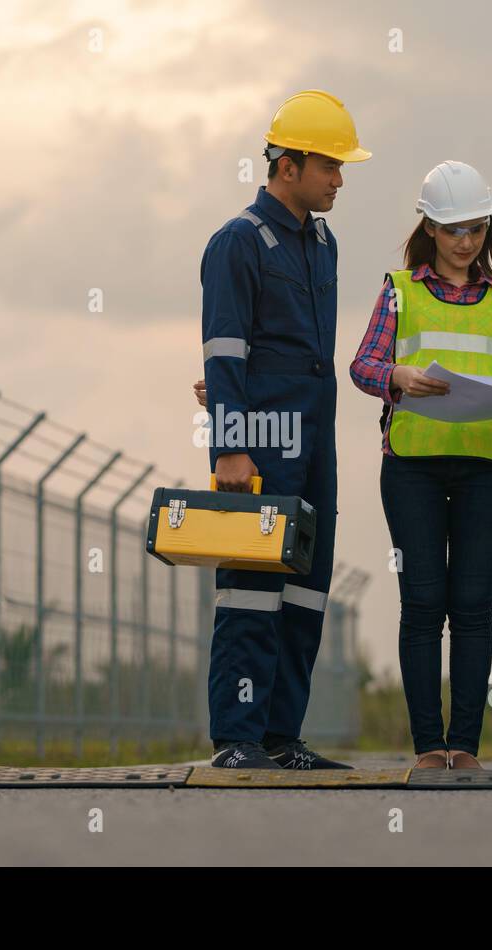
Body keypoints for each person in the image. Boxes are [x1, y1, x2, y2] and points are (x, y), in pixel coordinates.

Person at [348, 162, 492, 770]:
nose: (465, 241)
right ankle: (427, 747)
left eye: (475, 229)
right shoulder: (399, 288)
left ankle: (465, 747)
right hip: (413, 465)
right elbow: (363, 366)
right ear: (430, 229)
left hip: (485, 466)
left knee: (473, 606)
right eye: (451, 230)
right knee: (423, 603)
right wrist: (396, 375)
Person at [195, 90, 371, 770]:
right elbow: (225, 352)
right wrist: (231, 445)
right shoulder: (238, 242)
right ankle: (237, 738)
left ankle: (279, 736)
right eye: (329, 166)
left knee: (304, 592)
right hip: (260, 447)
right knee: (250, 592)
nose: (339, 180)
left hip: (315, 444)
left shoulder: (323, 243)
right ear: (288, 165)